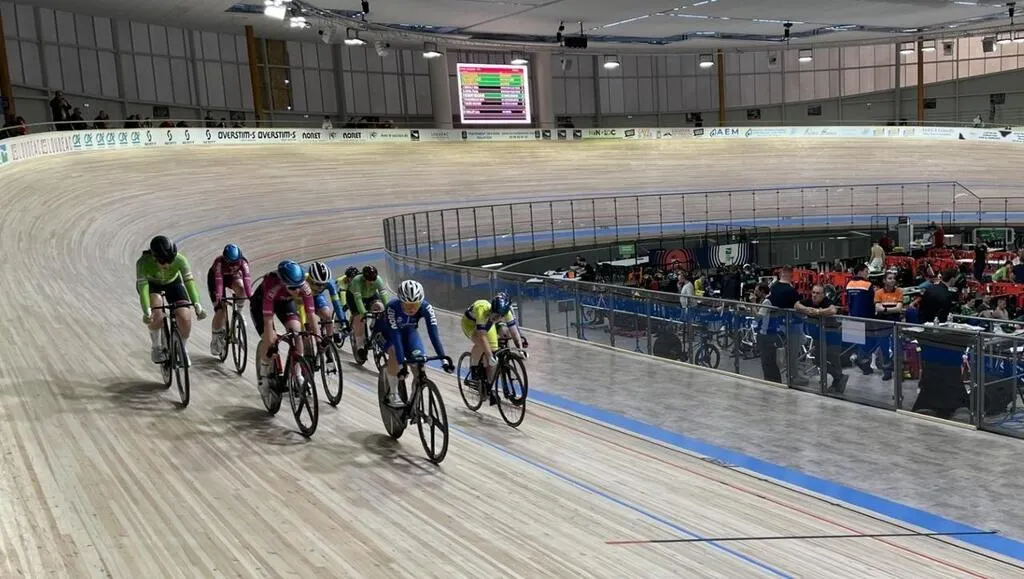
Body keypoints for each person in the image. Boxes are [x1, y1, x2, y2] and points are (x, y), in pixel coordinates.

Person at [379, 280, 453, 406]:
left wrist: (443, 360)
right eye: (408, 305)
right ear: (401, 301)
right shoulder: (392, 307)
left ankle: (413, 403)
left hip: (409, 332)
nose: (412, 308)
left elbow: (434, 335)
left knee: (419, 363)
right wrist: (401, 363)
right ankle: (393, 394)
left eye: (416, 304)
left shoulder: (426, 307)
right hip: (389, 333)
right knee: (394, 352)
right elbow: (395, 336)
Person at [250, 260, 318, 396]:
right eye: (292, 288)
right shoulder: (272, 287)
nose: (297, 291)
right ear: (283, 282)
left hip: (285, 302)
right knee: (270, 340)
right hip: (261, 303)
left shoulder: (304, 287)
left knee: (297, 332)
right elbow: (268, 321)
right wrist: (271, 343)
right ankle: (263, 376)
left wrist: (318, 339)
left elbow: (311, 315)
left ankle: (298, 375)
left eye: (299, 286)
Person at [136, 235, 206, 364]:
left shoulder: (181, 260)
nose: (167, 265)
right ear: (154, 257)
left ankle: (182, 348)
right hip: (152, 286)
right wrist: (147, 311)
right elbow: (144, 289)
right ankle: (156, 346)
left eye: (170, 260)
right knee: (156, 309)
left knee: (185, 316)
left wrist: (197, 303)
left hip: (173, 283)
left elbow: (189, 282)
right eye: (163, 261)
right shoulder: (143, 263)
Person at [462, 293, 528, 393]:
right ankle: (474, 371)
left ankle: (489, 383)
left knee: (497, 344)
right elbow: (482, 336)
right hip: (470, 324)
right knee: (481, 344)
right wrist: (489, 355)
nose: (495, 316)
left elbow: (514, 332)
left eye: (498, 316)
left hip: (487, 323)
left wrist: (520, 349)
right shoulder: (482, 310)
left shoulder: (507, 312)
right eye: (494, 313)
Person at [795, 285, 846, 393]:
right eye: (813, 292)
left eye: (818, 293)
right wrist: (807, 310)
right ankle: (839, 377)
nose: (815, 295)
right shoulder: (809, 301)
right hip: (819, 338)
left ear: (823, 295)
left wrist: (818, 312)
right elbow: (797, 305)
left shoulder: (827, 302)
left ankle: (838, 381)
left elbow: (832, 310)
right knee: (818, 360)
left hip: (832, 336)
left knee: (833, 359)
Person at [207, 243, 253, 357]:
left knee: (241, 289)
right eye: (231, 264)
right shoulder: (219, 263)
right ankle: (216, 339)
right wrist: (219, 297)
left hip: (232, 277)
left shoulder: (244, 262)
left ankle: (239, 313)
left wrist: (251, 296)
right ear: (225, 260)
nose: (233, 266)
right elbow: (219, 283)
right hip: (216, 279)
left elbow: (247, 282)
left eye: (236, 263)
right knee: (221, 310)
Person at [348, 265, 389, 360]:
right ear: (364, 278)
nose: (372, 282)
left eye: (373, 280)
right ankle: (360, 347)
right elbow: (358, 299)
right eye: (369, 281)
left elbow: (383, 295)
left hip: (370, 295)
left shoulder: (378, 279)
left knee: (380, 307)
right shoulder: (356, 281)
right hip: (353, 296)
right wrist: (363, 313)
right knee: (359, 318)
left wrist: (387, 309)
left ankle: (374, 325)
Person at [303, 261, 348, 344]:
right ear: (311, 279)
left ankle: (329, 341)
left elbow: (337, 304)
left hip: (317, 297)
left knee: (328, 315)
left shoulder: (330, 283)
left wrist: (343, 322)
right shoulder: (303, 280)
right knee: (307, 325)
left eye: (323, 284)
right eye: (318, 284)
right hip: (302, 299)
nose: (321, 287)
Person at [845, 264, 876, 375]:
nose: (867, 274)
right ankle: (862, 360)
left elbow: (849, 301)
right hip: (866, 317)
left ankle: (861, 361)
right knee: (870, 341)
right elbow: (872, 302)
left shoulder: (849, 284)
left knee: (857, 342)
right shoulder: (868, 285)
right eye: (866, 271)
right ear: (860, 272)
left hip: (852, 316)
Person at [872, 271, 904, 381]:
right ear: (884, 281)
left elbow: (899, 308)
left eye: (893, 278)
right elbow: (877, 308)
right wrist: (891, 309)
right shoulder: (878, 293)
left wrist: (884, 309)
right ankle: (887, 371)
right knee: (884, 348)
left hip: (896, 323)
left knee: (897, 348)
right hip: (881, 324)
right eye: (890, 278)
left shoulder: (899, 292)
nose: (892, 280)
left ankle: (899, 372)